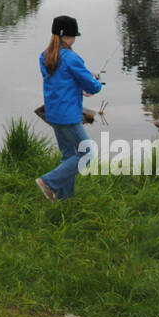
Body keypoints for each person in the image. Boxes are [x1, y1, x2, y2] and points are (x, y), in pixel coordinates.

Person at [34, 15, 103, 202]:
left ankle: (66, 200)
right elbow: (93, 86)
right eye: (73, 36)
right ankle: (49, 182)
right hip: (69, 116)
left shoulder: (45, 56)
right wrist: (95, 83)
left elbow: (61, 82)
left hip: (53, 113)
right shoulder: (72, 58)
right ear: (66, 37)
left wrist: (81, 87)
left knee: (69, 156)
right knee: (88, 153)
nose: (74, 40)